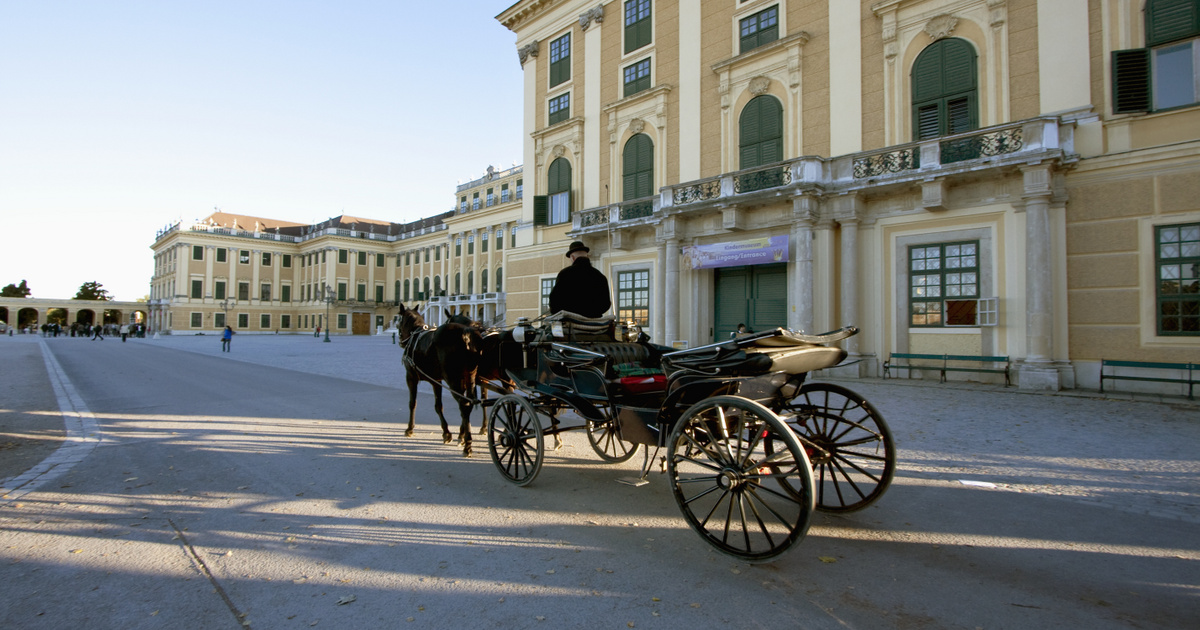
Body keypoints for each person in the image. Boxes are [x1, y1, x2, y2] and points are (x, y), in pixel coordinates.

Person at [548, 240, 612, 318]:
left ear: (572, 257)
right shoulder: (600, 276)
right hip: (594, 324)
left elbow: (555, 301)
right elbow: (605, 304)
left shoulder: (565, 274)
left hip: (571, 323)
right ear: (587, 256)